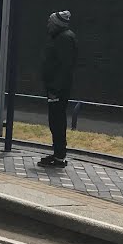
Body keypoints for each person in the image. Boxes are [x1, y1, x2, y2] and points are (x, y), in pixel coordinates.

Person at [38, 10, 78, 168]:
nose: (48, 25)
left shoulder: (64, 38)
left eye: (50, 22)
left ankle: (59, 157)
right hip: (55, 87)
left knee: (57, 121)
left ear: (56, 24)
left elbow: (64, 67)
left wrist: (55, 87)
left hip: (58, 89)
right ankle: (58, 154)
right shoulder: (61, 37)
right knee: (55, 121)